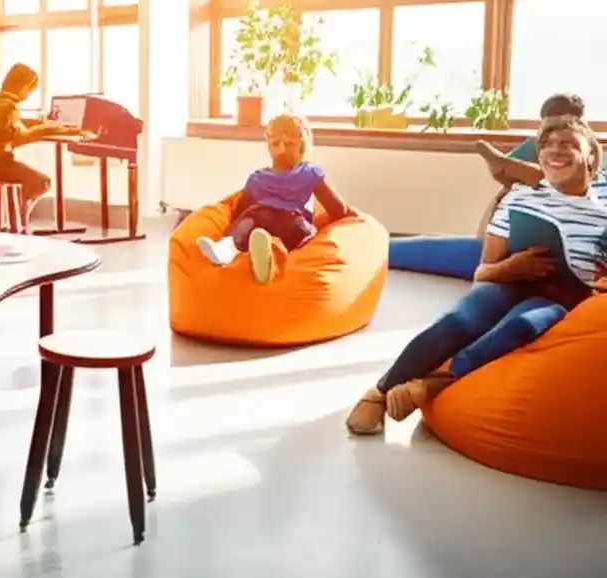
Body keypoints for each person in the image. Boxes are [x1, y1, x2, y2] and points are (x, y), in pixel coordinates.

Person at [347, 115, 607, 435]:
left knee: (521, 325)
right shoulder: (520, 198)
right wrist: (511, 268)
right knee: (458, 321)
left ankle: (429, 386)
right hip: (508, 281)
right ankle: (381, 391)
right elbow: (482, 272)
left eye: (568, 145)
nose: (555, 152)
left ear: (591, 155)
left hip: (559, 298)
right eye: (548, 146)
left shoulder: (602, 214)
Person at [196, 114, 353, 283]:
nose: (282, 150)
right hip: (282, 222)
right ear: (269, 146)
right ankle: (243, 252)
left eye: (289, 144)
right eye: (276, 144)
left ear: (302, 146)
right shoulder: (271, 177)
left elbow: (239, 211)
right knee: (252, 224)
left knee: (248, 223)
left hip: (281, 221)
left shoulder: (290, 174)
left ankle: (231, 249)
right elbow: (338, 209)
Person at [0, 63, 84, 232]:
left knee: (31, 177)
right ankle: (19, 219)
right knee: (42, 182)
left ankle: (16, 218)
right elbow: (22, 137)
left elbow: (17, 124)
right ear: (23, 87)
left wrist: (44, 123)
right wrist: (48, 128)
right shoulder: (8, 108)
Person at [476, 93, 586, 188]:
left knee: (547, 177)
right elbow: (504, 175)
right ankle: (498, 159)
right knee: (506, 174)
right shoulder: (536, 142)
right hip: (534, 189)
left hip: (557, 183)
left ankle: (498, 158)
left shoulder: (582, 144)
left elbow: (547, 178)